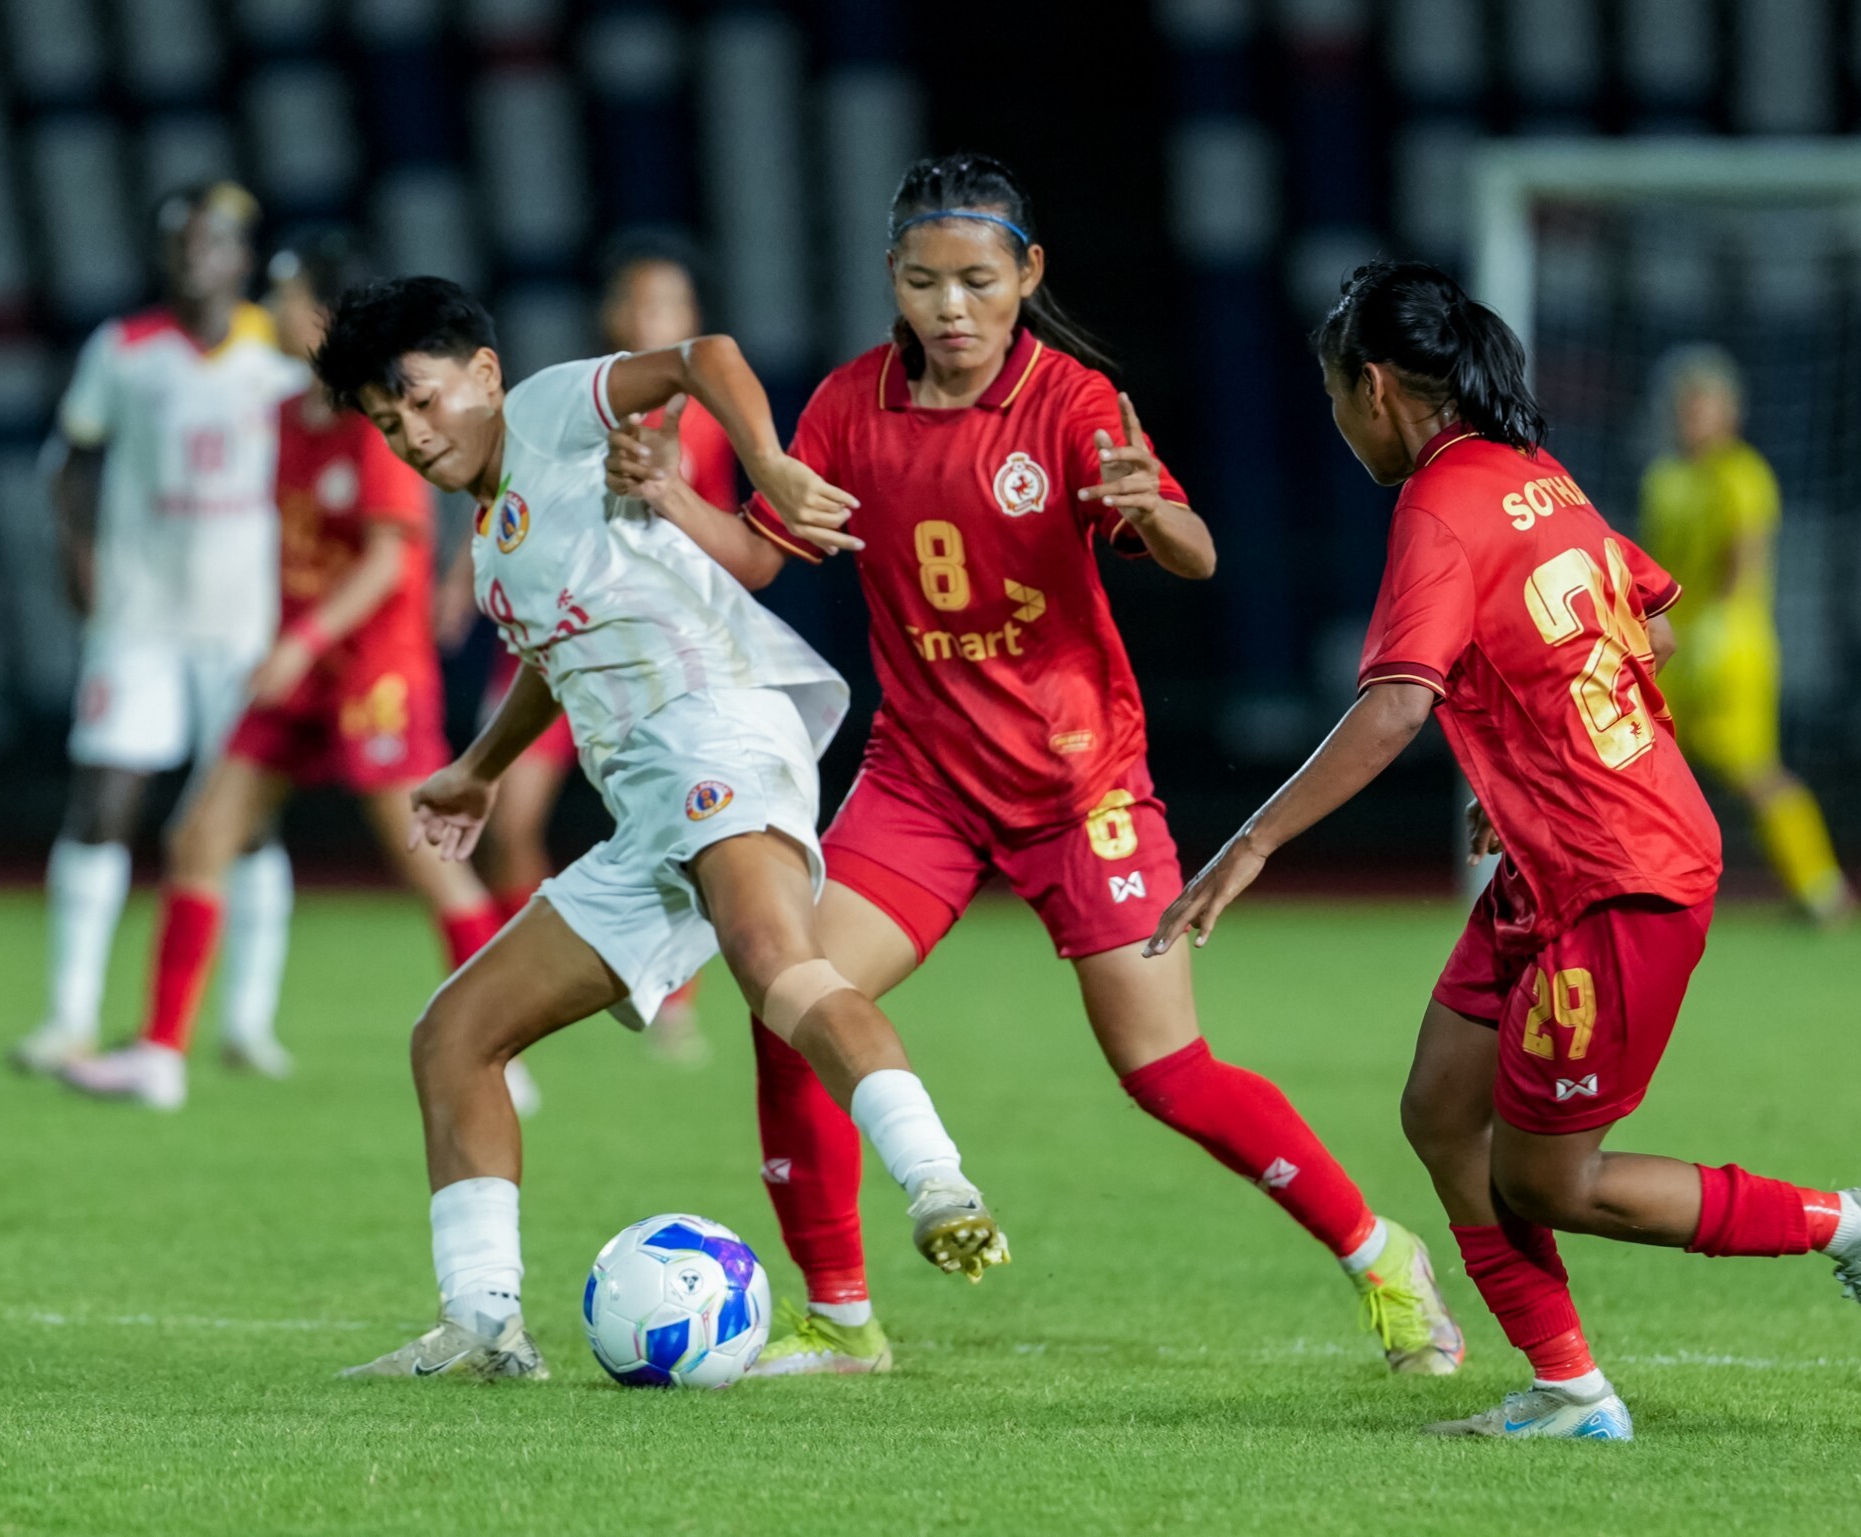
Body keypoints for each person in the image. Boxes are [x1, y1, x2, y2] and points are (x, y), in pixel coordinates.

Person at [606, 153, 1463, 1381]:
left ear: (1027, 276)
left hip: (1079, 788)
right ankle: (841, 1320)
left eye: (976, 281)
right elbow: (758, 553)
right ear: (891, 280)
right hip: (921, 783)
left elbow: (1197, 555)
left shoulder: (1072, 404)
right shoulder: (846, 407)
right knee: (792, 1003)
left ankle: (1379, 1253)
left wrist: (1150, 509)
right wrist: (665, 498)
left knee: (1164, 1073)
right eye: (922, 282)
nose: (949, 307)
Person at [1152, 261, 1861, 1441]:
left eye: (1333, 395)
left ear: (1375, 386)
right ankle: (1568, 1389)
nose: (1337, 420)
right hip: (1555, 854)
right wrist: (1525, 761)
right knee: (1437, 1109)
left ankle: (1857, 1224)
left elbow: (1395, 706)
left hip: (1619, 875)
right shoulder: (1532, 476)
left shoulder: (1438, 503)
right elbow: (1649, 624)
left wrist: (1249, 844)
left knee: (1546, 1179)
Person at [314, 276, 1008, 1382]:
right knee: (453, 1035)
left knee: (776, 964)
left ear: (483, 373)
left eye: (421, 398)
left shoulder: (546, 411)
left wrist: (769, 465)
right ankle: (484, 1326)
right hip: (649, 810)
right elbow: (554, 661)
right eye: (386, 420)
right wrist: (477, 771)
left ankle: (937, 1182)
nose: (411, 432)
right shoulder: (494, 545)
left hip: (714, 733)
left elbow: (704, 354)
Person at [57, 232, 524, 1113]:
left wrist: (301, 640)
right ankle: (159, 1053)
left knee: (427, 857)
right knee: (200, 836)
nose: (267, 313)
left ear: (320, 317)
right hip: (298, 669)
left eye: (282, 298)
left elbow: (390, 559)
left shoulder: (377, 419)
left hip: (372, 672)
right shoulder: (280, 413)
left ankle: (501, 1046)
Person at [12, 182, 312, 1078]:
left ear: (241, 257)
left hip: (247, 622)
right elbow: (73, 458)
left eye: (212, 242)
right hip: (140, 614)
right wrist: (78, 555)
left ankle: (249, 1022)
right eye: (180, 242)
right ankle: (68, 1016)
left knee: (245, 821)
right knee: (104, 798)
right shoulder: (125, 348)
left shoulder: (280, 353)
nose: (195, 258)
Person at [435, 240, 736, 1065]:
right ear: (610, 313)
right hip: (548, 648)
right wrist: (459, 579)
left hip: (647, 651)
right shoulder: (568, 400)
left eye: (666, 304)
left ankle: (673, 996)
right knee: (510, 822)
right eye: (636, 302)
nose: (649, 318)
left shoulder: (705, 424)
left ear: (691, 318)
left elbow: (718, 536)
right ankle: (526, 985)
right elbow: (502, 495)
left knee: (681, 825)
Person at [1636, 346, 1852, 927]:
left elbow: (1744, 557)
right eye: (1685, 406)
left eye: (1703, 405)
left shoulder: (1743, 474)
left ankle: (1822, 889)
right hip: (1670, 647)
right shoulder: (1664, 479)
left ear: (1730, 412)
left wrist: (1714, 625)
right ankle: (1641, 889)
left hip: (1730, 649)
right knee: (1639, 763)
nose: (1692, 417)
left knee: (1753, 771)